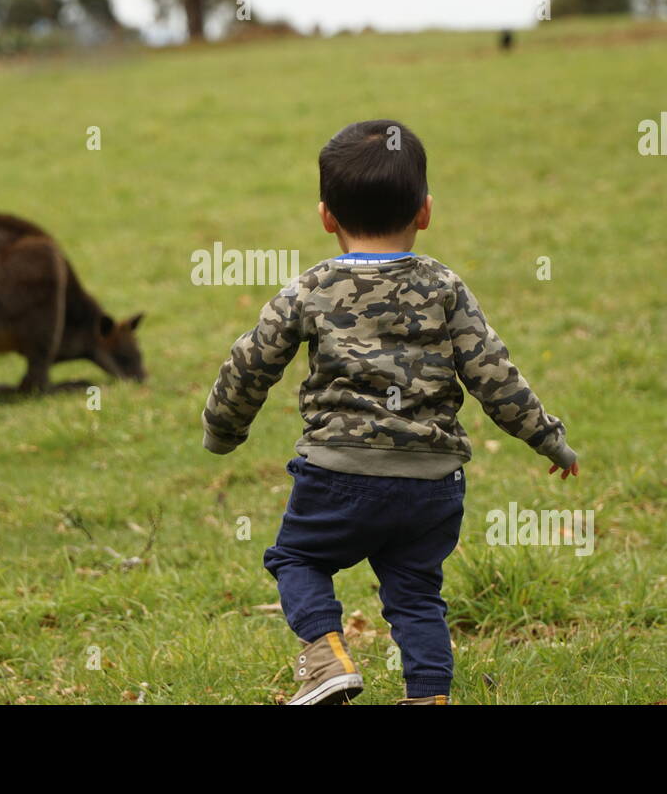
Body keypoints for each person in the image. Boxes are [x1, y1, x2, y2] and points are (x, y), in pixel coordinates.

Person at [201, 119, 579, 705]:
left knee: (297, 557)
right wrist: (549, 439)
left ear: (326, 215)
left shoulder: (309, 289)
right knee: (417, 594)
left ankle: (326, 658)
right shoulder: (445, 288)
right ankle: (428, 697)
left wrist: (223, 430)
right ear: (425, 211)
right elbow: (495, 375)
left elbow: (250, 363)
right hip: (430, 484)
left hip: (338, 474)